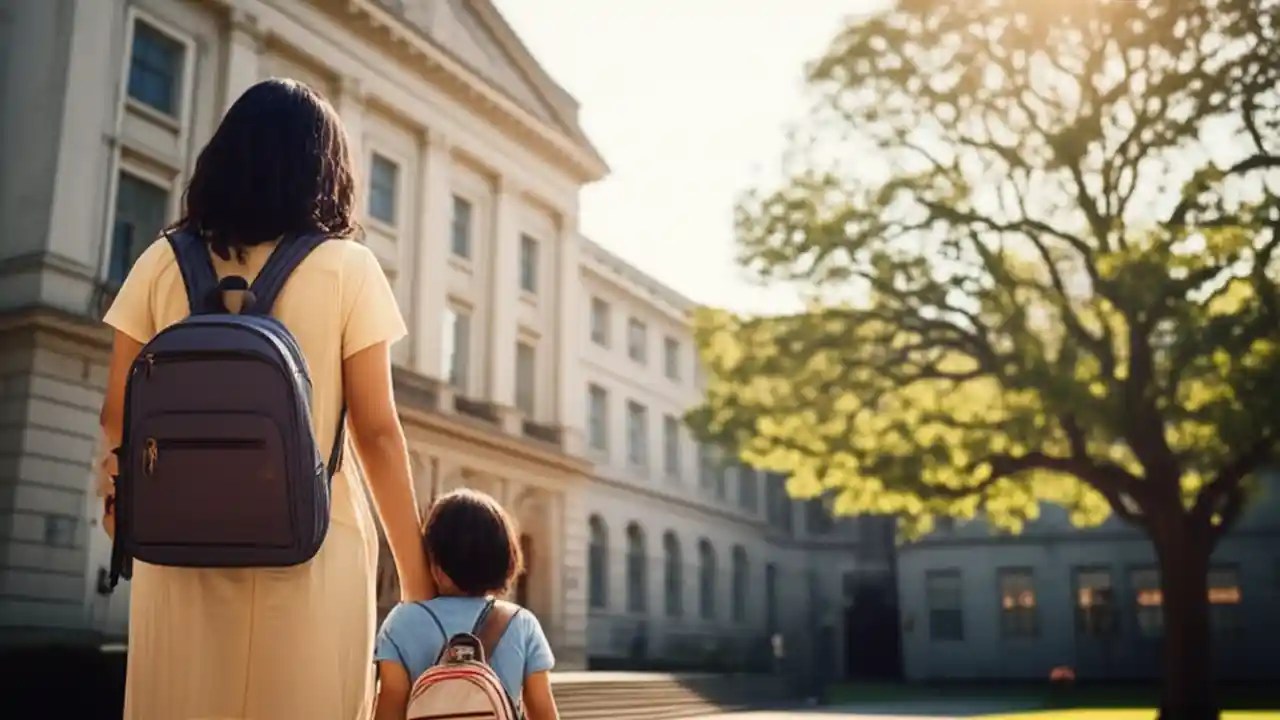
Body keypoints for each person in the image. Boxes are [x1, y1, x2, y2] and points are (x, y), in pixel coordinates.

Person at [97, 78, 433, 719]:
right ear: (326, 170)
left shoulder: (159, 263)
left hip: (180, 552)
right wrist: (416, 583)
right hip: (313, 550)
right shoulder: (349, 268)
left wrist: (119, 514)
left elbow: (118, 414)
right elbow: (377, 432)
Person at [372, 489, 560, 720]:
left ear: (435, 562)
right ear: (505, 561)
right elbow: (543, 714)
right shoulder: (522, 624)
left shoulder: (401, 622)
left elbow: (390, 708)